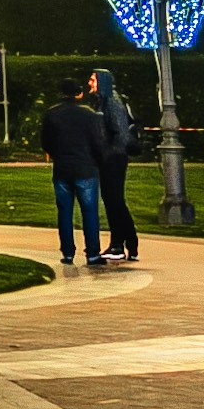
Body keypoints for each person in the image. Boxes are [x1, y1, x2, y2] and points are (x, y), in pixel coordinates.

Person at [41, 78, 110, 269]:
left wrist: (57, 154)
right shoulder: (89, 115)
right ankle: (93, 253)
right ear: (79, 93)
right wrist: (99, 161)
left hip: (63, 168)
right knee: (89, 212)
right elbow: (98, 142)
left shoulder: (52, 114)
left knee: (64, 212)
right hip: (86, 167)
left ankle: (68, 252)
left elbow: (46, 141)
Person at [91, 64, 140, 259]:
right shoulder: (105, 102)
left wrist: (108, 152)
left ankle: (125, 242)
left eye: (93, 80)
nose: (89, 83)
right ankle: (121, 243)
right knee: (113, 201)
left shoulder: (111, 103)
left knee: (114, 200)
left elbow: (120, 132)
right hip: (111, 157)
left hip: (113, 158)